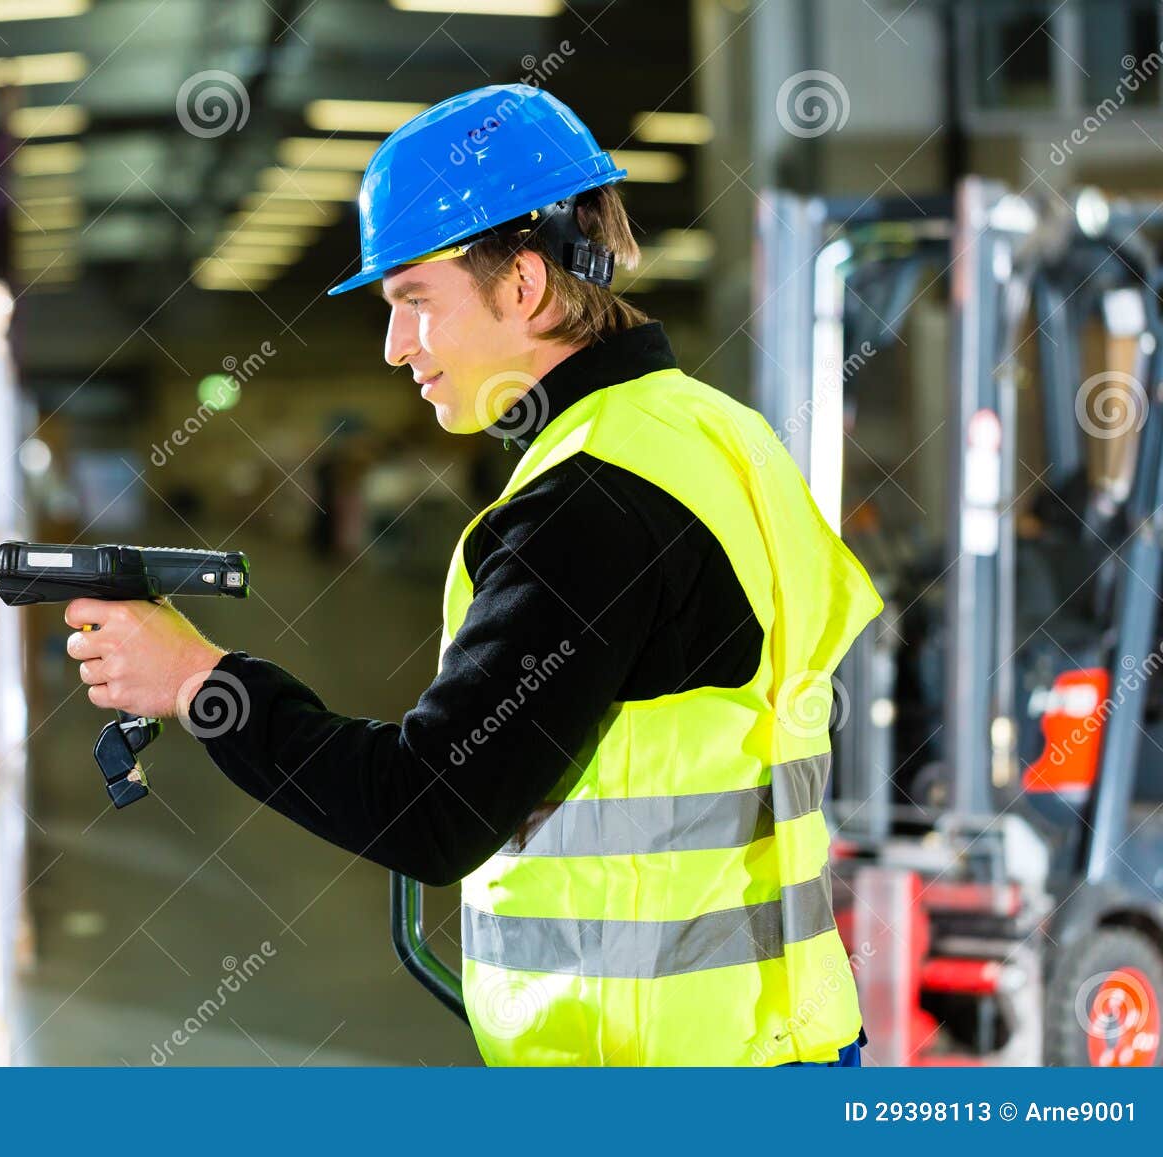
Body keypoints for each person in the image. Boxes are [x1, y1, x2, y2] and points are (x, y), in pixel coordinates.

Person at [64, 84, 879, 1067]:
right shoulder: (712, 432)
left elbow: (433, 807)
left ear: (523, 284)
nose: (394, 347)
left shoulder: (591, 501)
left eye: (413, 302)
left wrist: (200, 684)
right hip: (771, 1034)